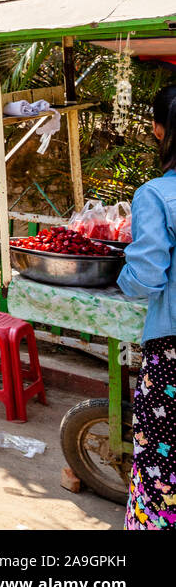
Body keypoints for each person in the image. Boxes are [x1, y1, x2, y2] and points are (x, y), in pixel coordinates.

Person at [118, 84, 176, 529]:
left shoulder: (156, 194)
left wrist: (120, 272)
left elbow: (145, 278)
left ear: (159, 129)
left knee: (162, 480)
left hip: (172, 353)